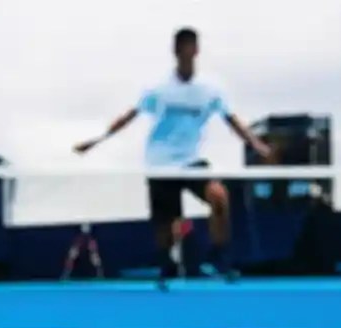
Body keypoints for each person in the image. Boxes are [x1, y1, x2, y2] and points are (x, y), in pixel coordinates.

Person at [73, 27, 273, 288]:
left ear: (197, 51)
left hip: (191, 161)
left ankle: (220, 258)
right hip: (160, 164)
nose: (188, 53)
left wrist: (256, 144)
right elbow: (128, 116)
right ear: (176, 51)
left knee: (219, 197)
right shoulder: (158, 89)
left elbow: (231, 119)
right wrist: (98, 140)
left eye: (192, 48)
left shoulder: (210, 89)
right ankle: (167, 264)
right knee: (165, 227)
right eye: (183, 48)